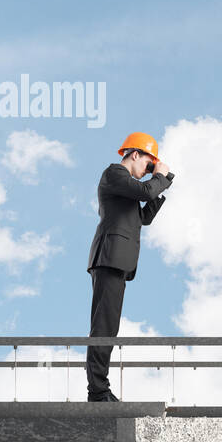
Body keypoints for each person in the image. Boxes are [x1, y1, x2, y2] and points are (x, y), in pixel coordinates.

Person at [85, 132, 175, 402]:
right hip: (109, 257)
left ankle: (99, 389)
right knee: (104, 326)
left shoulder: (127, 189)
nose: (147, 171)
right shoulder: (114, 173)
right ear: (135, 154)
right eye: (147, 164)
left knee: (108, 326)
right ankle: (97, 391)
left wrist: (164, 182)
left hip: (118, 261)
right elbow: (146, 191)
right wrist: (159, 177)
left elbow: (143, 217)